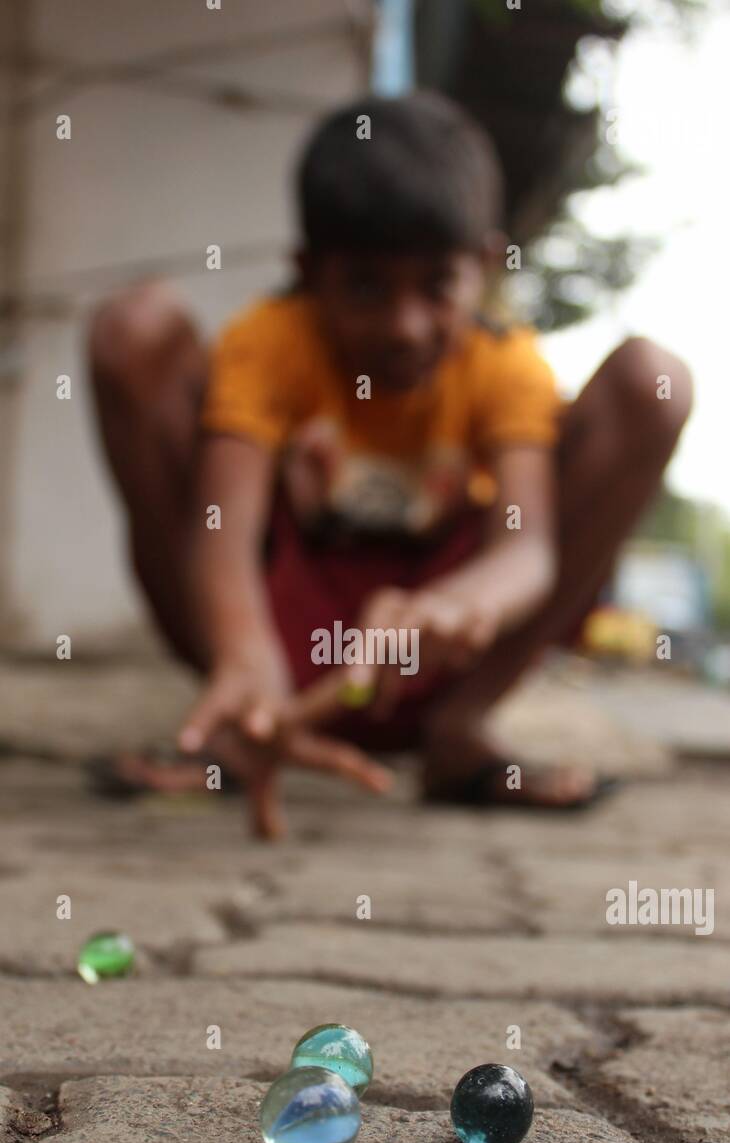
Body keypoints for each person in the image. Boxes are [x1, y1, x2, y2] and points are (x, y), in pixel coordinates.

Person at [88, 93, 692, 837]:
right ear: (309, 273)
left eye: (437, 285)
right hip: (282, 641)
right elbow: (223, 527)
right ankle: (237, 720)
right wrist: (246, 658)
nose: (405, 327)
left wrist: (461, 603)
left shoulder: (505, 365)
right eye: (367, 287)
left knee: (654, 381)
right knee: (132, 327)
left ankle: (458, 731)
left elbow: (526, 548)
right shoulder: (273, 340)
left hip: (437, 661)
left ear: (484, 265)